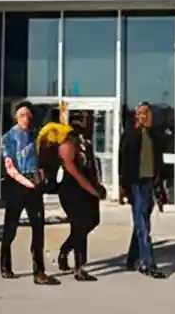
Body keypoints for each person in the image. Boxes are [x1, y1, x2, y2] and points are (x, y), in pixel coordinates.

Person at [0, 101, 58, 285]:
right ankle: (5, 266)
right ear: (16, 116)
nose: (26, 118)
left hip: (34, 184)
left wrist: (41, 176)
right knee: (10, 229)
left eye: (28, 115)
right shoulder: (8, 138)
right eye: (22, 115)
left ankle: (39, 271)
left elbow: (41, 159)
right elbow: (10, 167)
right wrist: (27, 182)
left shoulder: (35, 136)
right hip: (17, 184)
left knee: (38, 228)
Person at [118, 102, 167, 278]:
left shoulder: (155, 136)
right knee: (144, 226)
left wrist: (161, 187)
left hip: (149, 184)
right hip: (135, 184)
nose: (143, 116)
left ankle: (132, 258)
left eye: (146, 113)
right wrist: (123, 187)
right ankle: (148, 263)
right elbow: (123, 163)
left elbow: (159, 163)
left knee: (141, 222)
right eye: (140, 113)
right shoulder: (130, 135)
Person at [54, 110, 105, 281]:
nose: (88, 123)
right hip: (72, 190)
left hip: (87, 187)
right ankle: (79, 268)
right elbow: (74, 172)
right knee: (80, 225)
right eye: (84, 120)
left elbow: (90, 166)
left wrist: (97, 185)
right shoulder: (67, 145)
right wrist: (92, 189)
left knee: (93, 220)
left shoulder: (86, 142)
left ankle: (65, 250)